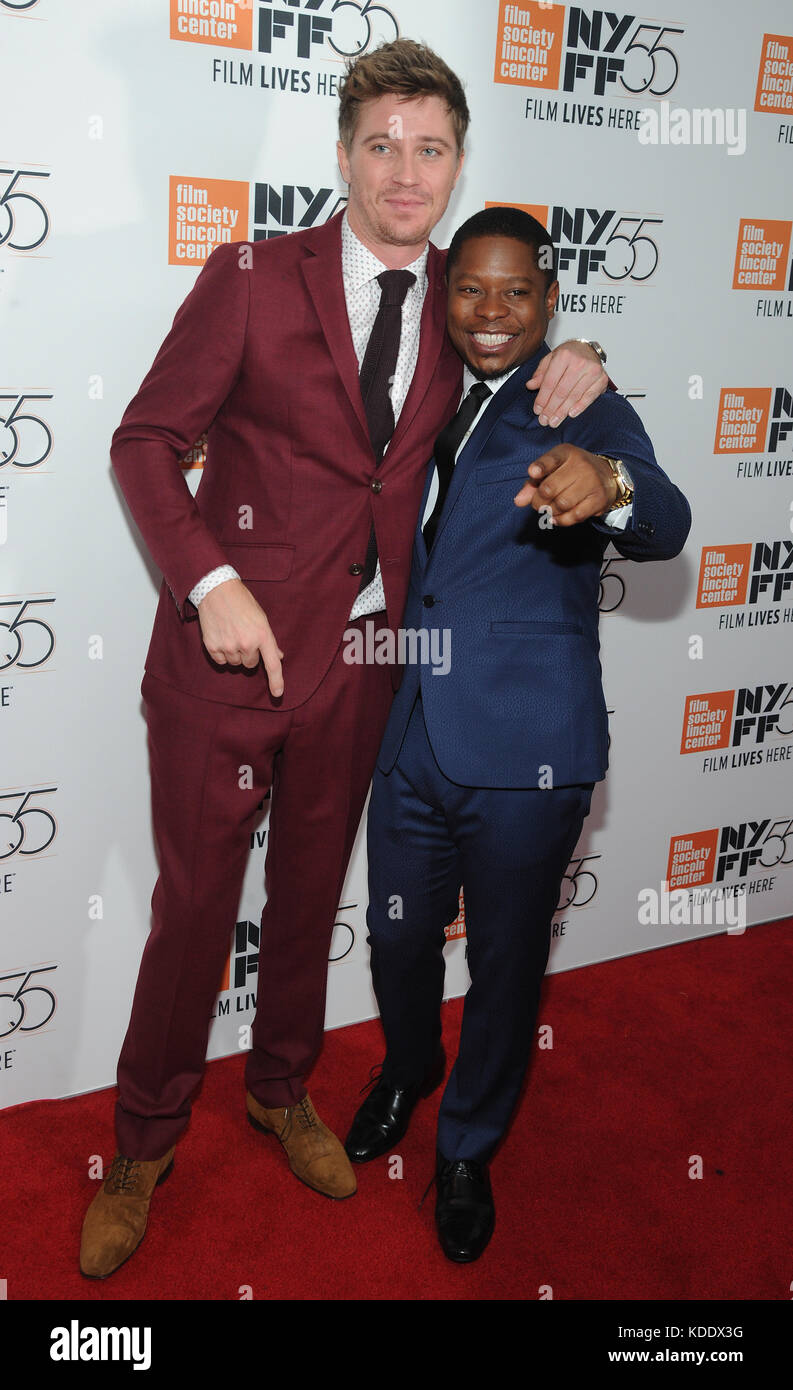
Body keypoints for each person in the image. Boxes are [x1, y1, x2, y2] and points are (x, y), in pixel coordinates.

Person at [80, 42, 610, 1279]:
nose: (406, 172)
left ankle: (279, 1089)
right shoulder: (254, 277)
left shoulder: (470, 307)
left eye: (430, 148)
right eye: (383, 145)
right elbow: (146, 439)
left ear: (457, 159)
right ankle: (143, 1145)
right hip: (227, 658)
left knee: (313, 897)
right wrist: (210, 581)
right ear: (343, 156)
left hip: (366, 661)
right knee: (194, 914)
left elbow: (536, 386)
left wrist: (587, 362)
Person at [345, 206, 692, 1263]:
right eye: (470, 290)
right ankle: (410, 1063)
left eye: (515, 293)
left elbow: (667, 515)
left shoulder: (579, 400)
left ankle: (468, 1148)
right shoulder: (430, 389)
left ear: (548, 301)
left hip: (528, 750)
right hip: (411, 729)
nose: (491, 312)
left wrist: (611, 485)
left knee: (501, 966)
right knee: (399, 934)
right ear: (445, 299)